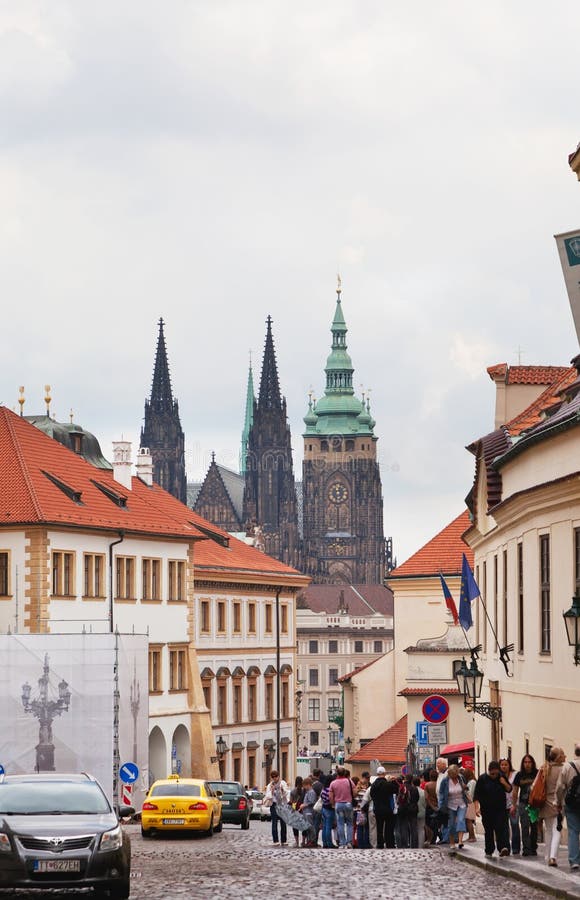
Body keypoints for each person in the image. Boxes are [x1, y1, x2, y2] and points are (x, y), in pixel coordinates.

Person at [473, 760, 512, 857]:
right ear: (488, 771)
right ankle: (489, 850)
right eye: (492, 773)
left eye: (496, 773)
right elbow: (476, 794)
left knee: (500, 829)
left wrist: (504, 783)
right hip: (486, 810)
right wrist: (477, 808)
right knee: (489, 830)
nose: (494, 775)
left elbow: (509, 789)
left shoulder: (501, 777)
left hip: (500, 809)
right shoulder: (482, 779)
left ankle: (502, 848)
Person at [539, 747, 566, 867]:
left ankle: (547, 855)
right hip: (557, 803)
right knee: (557, 830)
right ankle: (553, 857)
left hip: (545, 804)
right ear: (558, 757)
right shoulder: (563, 769)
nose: (565, 756)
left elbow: (534, 786)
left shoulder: (544, 768)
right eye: (563, 754)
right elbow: (562, 787)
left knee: (549, 830)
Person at [557, 742, 580, 871]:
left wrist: (558, 803)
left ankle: (575, 860)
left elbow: (560, 787)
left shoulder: (567, 766)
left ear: (575, 752)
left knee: (573, 832)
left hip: (571, 803)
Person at [512, 754, 538, 857]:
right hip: (523, 803)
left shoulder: (537, 773)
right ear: (523, 764)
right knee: (524, 826)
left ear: (532, 763)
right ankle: (526, 849)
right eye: (525, 762)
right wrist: (514, 805)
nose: (527, 764)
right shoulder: (519, 775)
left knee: (534, 826)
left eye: (529, 762)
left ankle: (533, 847)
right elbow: (515, 791)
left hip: (534, 804)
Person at [438, 764, 468, 851]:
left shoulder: (461, 778)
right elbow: (441, 793)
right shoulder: (445, 781)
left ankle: (460, 841)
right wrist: (441, 805)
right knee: (451, 824)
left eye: (455, 775)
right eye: (451, 775)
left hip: (461, 803)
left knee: (461, 820)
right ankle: (451, 842)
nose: (453, 777)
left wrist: (465, 787)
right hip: (450, 805)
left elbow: (465, 789)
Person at [370, 767, 398, 849]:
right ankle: (389, 844)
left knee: (379, 828)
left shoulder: (373, 785)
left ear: (377, 774)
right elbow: (396, 790)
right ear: (384, 773)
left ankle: (380, 844)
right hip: (388, 808)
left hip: (378, 809)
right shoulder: (388, 784)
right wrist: (394, 781)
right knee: (388, 828)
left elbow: (372, 795)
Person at [329, 765, 356, 848]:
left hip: (338, 804)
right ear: (344, 773)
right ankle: (349, 842)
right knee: (349, 824)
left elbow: (330, 796)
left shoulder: (333, 783)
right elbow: (354, 793)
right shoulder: (349, 781)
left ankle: (342, 843)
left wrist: (333, 804)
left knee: (340, 824)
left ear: (337, 773)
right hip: (348, 804)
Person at [500, 757, 520, 855]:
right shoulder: (498, 776)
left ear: (509, 765)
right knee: (505, 827)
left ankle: (516, 848)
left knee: (515, 825)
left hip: (514, 803)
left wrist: (514, 804)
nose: (504, 766)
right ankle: (506, 847)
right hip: (502, 805)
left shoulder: (515, 775)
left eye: (506, 764)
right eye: (502, 765)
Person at [264, 769, 289, 846]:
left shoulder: (283, 783)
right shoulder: (269, 785)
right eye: (273, 777)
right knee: (274, 823)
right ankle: (275, 840)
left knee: (283, 823)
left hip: (282, 805)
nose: (275, 778)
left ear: (279, 776)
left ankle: (284, 840)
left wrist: (282, 790)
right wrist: (271, 791)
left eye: (276, 776)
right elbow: (267, 796)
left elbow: (286, 794)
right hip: (274, 805)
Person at [397, 774, 420, 848]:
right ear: (412, 780)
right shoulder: (414, 788)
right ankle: (414, 845)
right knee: (414, 828)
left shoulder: (402, 787)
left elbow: (399, 799)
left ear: (405, 779)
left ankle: (404, 844)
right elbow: (417, 799)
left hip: (403, 809)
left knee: (404, 827)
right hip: (413, 809)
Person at [299, 776, 318, 847]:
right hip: (306, 811)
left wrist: (304, 805)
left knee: (310, 826)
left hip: (309, 812)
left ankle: (312, 840)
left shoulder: (311, 792)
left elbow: (311, 802)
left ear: (308, 785)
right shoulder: (308, 792)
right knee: (308, 826)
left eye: (304, 786)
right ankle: (309, 840)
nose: (304, 787)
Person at [461, 767, 477, 842]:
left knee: (469, 820)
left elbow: (470, 793)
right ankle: (471, 836)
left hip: (470, 802)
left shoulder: (472, 782)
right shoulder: (470, 782)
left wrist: (464, 790)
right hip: (469, 802)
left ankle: (472, 836)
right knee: (468, 820)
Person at [423, 769, 439, 846]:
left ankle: (429, 838)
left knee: (428, 824)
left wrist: (431, 806)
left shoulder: (427, 785)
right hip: (438, 806)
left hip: (430, 806)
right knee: (436, 824)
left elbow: (426, 797)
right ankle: (434, 839)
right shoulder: (439, 784)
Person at [320, 774, 336, 849]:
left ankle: (324, 843)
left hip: (324, 808)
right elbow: (331, 799)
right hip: (329, 809)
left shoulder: (323, 789)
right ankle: (329, 843)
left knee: (324, 826)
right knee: (329, 827)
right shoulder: (330, 789)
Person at [289, 776, 305, 847]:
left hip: (295, 810)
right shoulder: (304, 790)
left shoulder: (293, 791)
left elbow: (291, 801)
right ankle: (303, 841)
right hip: (303, 810)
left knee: (295, 826)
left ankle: (297, 842)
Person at [414, 775, 426, 848]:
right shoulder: (423, 792)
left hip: (413, 813)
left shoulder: (412, 791)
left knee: (414, 829)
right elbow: (426, 803)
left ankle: (414, 845)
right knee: (421, 829)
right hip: (422, 812)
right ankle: (420, 845)